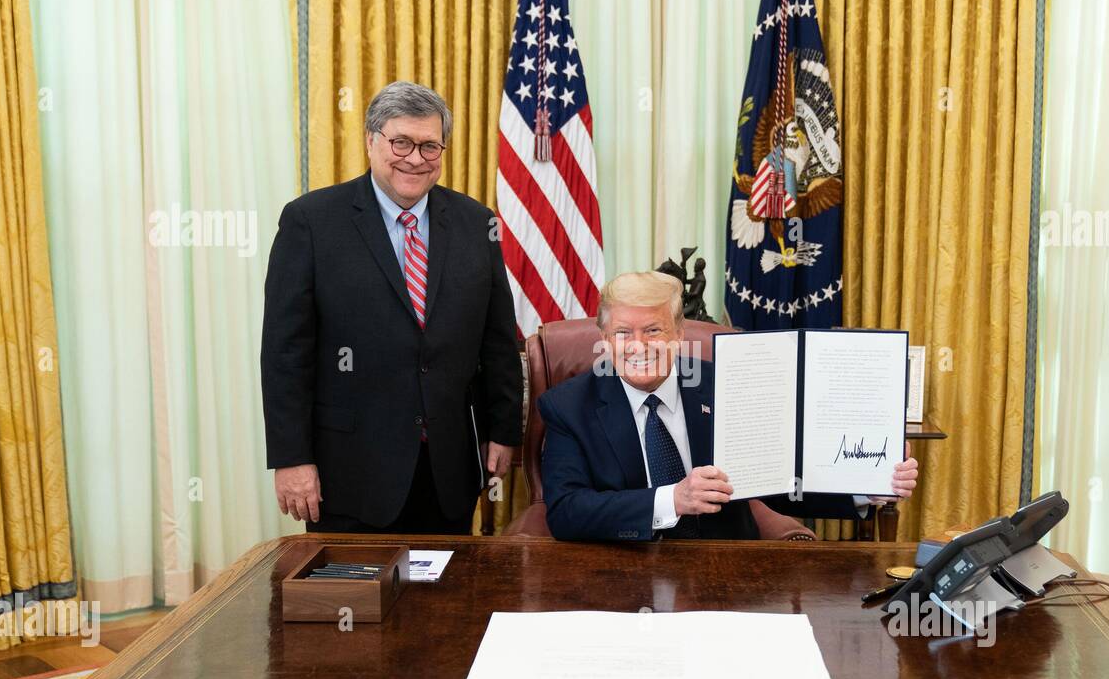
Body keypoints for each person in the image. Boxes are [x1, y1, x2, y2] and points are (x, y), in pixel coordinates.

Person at [261, 81, 522, 534]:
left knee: (447, 599)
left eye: (429, 145)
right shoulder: (311, 222)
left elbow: (497, 340)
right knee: (354, 603)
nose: (415, 158)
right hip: (349, 473)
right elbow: (285, 354)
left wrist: (502, 428)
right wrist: (292, 458)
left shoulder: (477, 224)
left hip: (448, 469)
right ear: (370, 140)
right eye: (401, 142)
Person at [538, 271, 918, 540]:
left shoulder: (726, 386)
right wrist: (673, 499)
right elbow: (568, 511)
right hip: (623, 567)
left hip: (725, 564)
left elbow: (779, 480)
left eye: (654, 330)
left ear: (679, 334)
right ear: (605, 339)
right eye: (623, 333)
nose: (639, 346)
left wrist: (865, 486)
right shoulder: (568, 406)